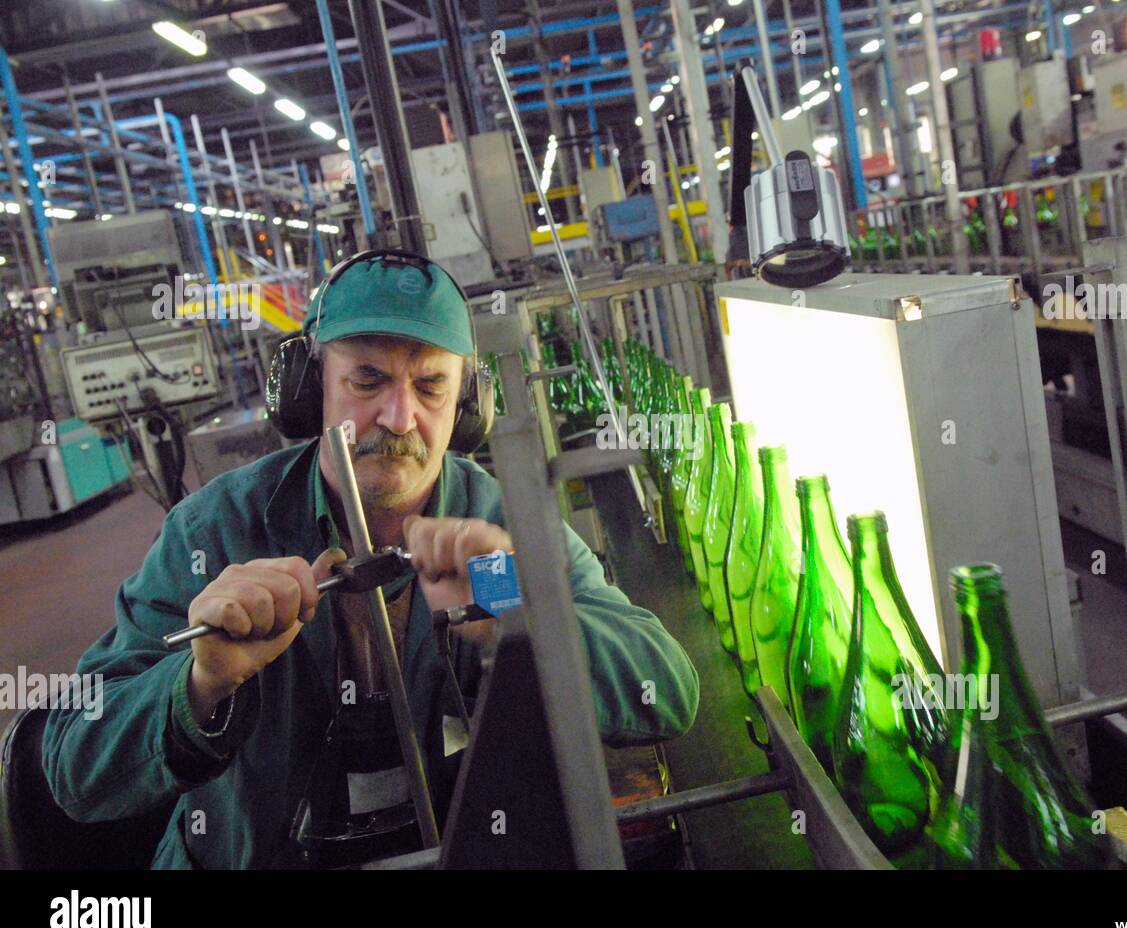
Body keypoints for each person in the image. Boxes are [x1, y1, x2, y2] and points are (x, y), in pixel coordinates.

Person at [42, 251, 699, 868]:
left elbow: (666, 692)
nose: (399, 414)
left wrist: (515, 610)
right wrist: (198, 684)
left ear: (469, 404)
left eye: (431, 385)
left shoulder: (498, 523)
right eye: (367, 378)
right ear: (308, 388)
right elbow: (74, 767)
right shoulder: (219, 529)